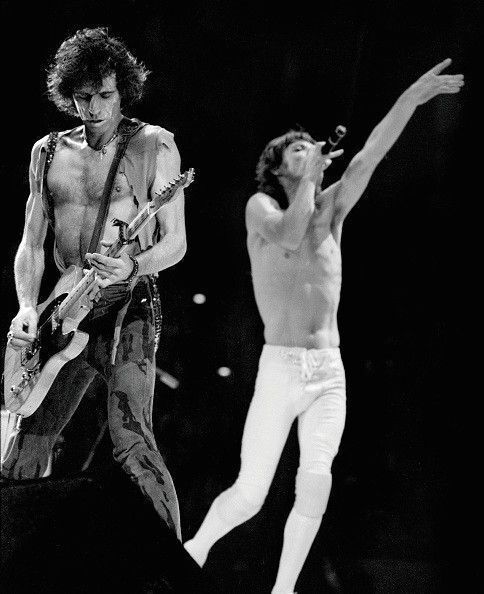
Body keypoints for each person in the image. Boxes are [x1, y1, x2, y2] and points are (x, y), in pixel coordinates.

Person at [183, 58, 464, 592]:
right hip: (280, 368)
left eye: (310, 147)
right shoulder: (260, 208)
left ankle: (283, 589)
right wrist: (311, 179)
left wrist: (412, 96)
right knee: (250, 495)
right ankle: (193, 551)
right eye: (297, 149)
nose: (308, 150)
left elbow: (370, 153)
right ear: (278, 168)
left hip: (328, 370)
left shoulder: (331, 210)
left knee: (316, 482)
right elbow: (292, 234)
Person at [2, 27, 186, 539]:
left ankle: (171, 565)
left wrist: (133, 266)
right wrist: (26, 305)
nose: (94, 108)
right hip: (64, 310)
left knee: (132, 439)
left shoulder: (153, 145)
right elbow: (30, 242)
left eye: (105, 94)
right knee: (25, 450)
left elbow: (176, 243)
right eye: (83, 96)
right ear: (69, 94)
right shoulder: (47, 151)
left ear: (123, 89)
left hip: (127, 303)